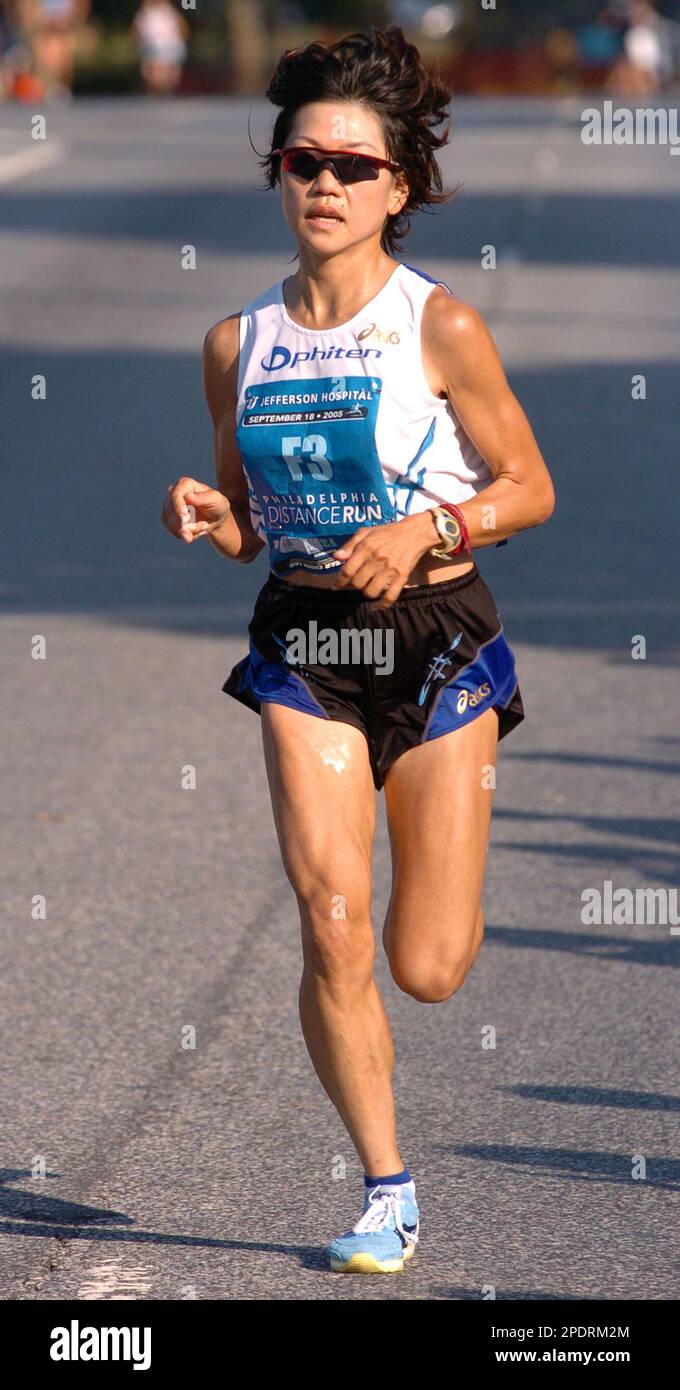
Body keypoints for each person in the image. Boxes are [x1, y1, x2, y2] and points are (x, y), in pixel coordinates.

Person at [161, 24, 555, 1275]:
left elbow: (530, 485)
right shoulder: (237, 345)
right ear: (277, 174)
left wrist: (429, 521)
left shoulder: (439, 327)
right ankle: (385, 1189)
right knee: (330, 918)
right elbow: (243, 525)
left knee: (425, 964)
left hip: (438, 641)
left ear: (398, 186)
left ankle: (437, 912)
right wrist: (218, 518)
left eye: (350, 164)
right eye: (300, 160)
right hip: (307, 640)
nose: (322, 184)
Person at [133, 0, 189, 97]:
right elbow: (136, 31)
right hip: (153, 46)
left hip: (169, 45)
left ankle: (167, 91)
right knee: (153, 71)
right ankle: (156, 91)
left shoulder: (170, 13)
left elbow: (183, 29)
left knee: (168, 73)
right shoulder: (144, 15)